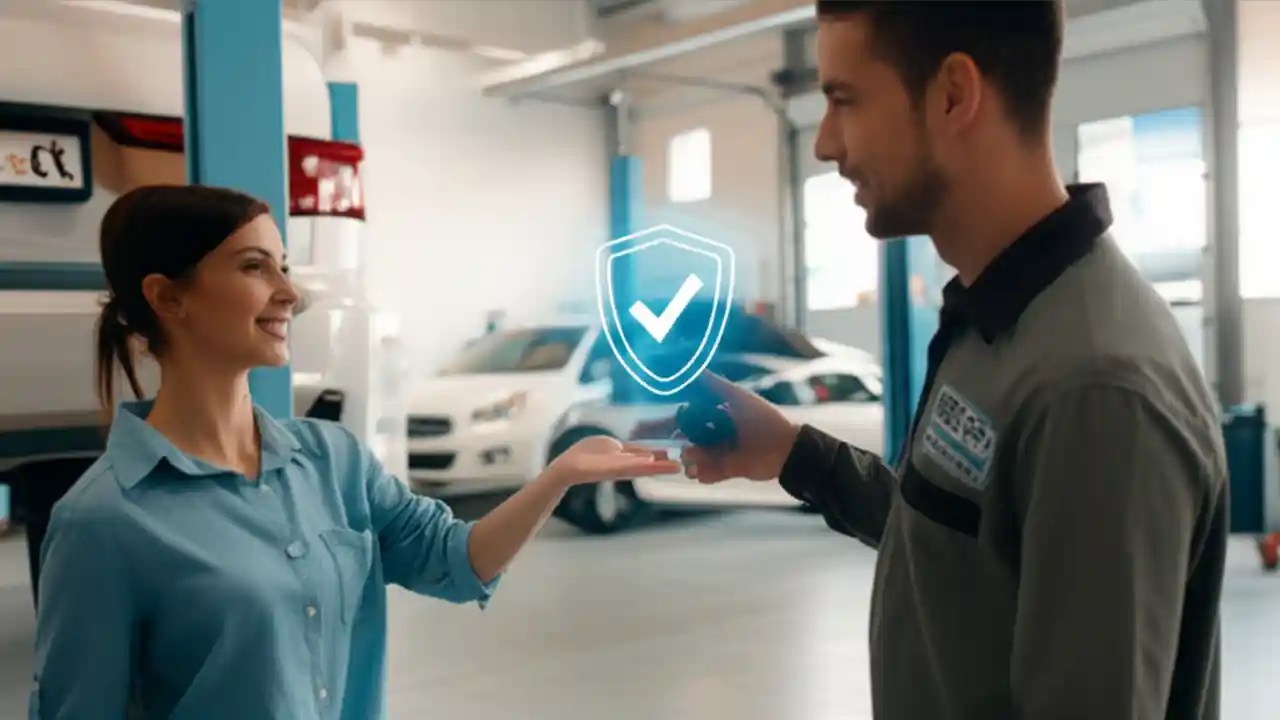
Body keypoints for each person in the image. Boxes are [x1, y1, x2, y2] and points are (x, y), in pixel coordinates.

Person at [640, 2, 1228, 718]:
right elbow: (962, 557)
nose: (824, 144)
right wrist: (797, 455)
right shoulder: (995, 318)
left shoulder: (1095, 390)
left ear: (952, 94)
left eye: (844, 101)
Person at [29, 184, 681, 719]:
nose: (292, 293)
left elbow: (453, 562)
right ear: (169, 297)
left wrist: (559, 475)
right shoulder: (105, 522)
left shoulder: (331, 460)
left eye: (283, 266)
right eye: (255, 267)